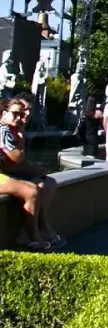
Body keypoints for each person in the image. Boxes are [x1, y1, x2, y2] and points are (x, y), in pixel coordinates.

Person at [0, 97, 64, 250]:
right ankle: (33, 236)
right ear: (3, 114)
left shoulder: (11, 130)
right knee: (31, 191)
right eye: (16, 114)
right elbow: (16, 159)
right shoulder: (3, 131)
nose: (20, 117)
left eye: (21, 114)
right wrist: (21, 141)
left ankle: (37, 229)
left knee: (43, 184)